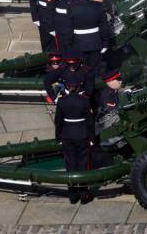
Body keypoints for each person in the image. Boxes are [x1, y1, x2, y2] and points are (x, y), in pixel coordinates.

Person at [54, 75, 95, 203]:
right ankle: (83, 194)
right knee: (83, 164)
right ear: (78, 87)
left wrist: (58, 138)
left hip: (67, 135)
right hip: (82, 135)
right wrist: (92, 138)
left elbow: (58, 122)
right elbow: (90, 122)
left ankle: (72, 195)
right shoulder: (85, 101)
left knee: (70, 164)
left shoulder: (62, 101)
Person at [60, 0, 113, 73]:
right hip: (95, 43)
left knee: (80, 71)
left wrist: (68, 45)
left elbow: (67, 29)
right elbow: (104, 27)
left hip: (78, 44)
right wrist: (105, 43)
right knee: (95, 70)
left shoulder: (71, 7)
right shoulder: (98, 6)